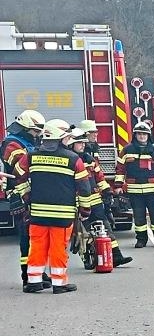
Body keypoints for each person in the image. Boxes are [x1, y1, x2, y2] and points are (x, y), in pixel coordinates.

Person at [19, 121, 92, 294]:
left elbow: (18, 177)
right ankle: (59, 283)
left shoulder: (31, 156)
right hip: (62, 215)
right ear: (60, 138)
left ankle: (34, 282)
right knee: (58, 248)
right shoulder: (74, 159)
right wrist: (85, 210)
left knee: (36, 246)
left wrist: (27, 196)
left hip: (37, 213)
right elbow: (84, 188)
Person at [74, 122, 131, 267]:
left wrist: (106, 193)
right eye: (80, 142)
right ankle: (89, 258)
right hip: (77, 202)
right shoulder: (70, 159)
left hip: (94, 199)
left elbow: (99, 176)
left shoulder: (89, 157)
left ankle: (116, 255)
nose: (83, 145)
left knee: (105, 226)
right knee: (83, 232)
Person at [2, 109, 48, 287]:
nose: (37, 135)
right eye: (35, 132)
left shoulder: (30, 143)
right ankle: (27, 275)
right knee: (27, 236)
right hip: (20, 194)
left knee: (38, 236)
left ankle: (38, 272)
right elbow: (19, 164)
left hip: (34, 192)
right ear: (25, 128)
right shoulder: (11, 144)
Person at [114, 121, 154, 248]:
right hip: (135, 191)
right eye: (139, 134)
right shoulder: (127, 150)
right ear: (135, 135)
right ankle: (141, 240)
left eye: (144, 134)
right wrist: (118, 186)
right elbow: (120, 169)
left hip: (153, 191)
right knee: (139, 217)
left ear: (148, 136)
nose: (142, 136)